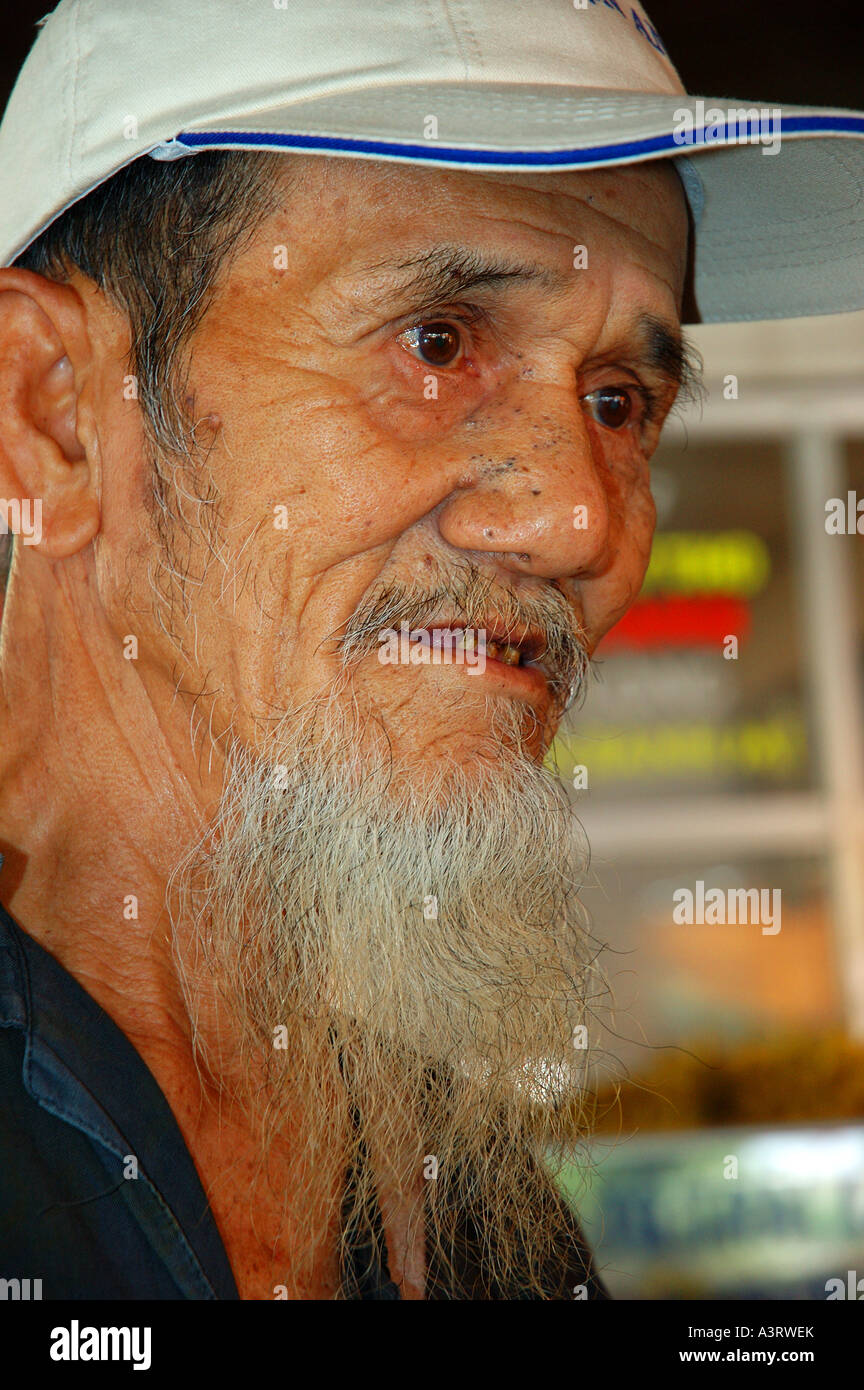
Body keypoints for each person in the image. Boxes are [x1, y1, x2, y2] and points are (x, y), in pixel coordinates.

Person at [0, 0, 861, 1301]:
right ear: (53, 415)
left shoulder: (475, 1223)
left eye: (620, 402)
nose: (581, 518)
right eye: (439, 341)